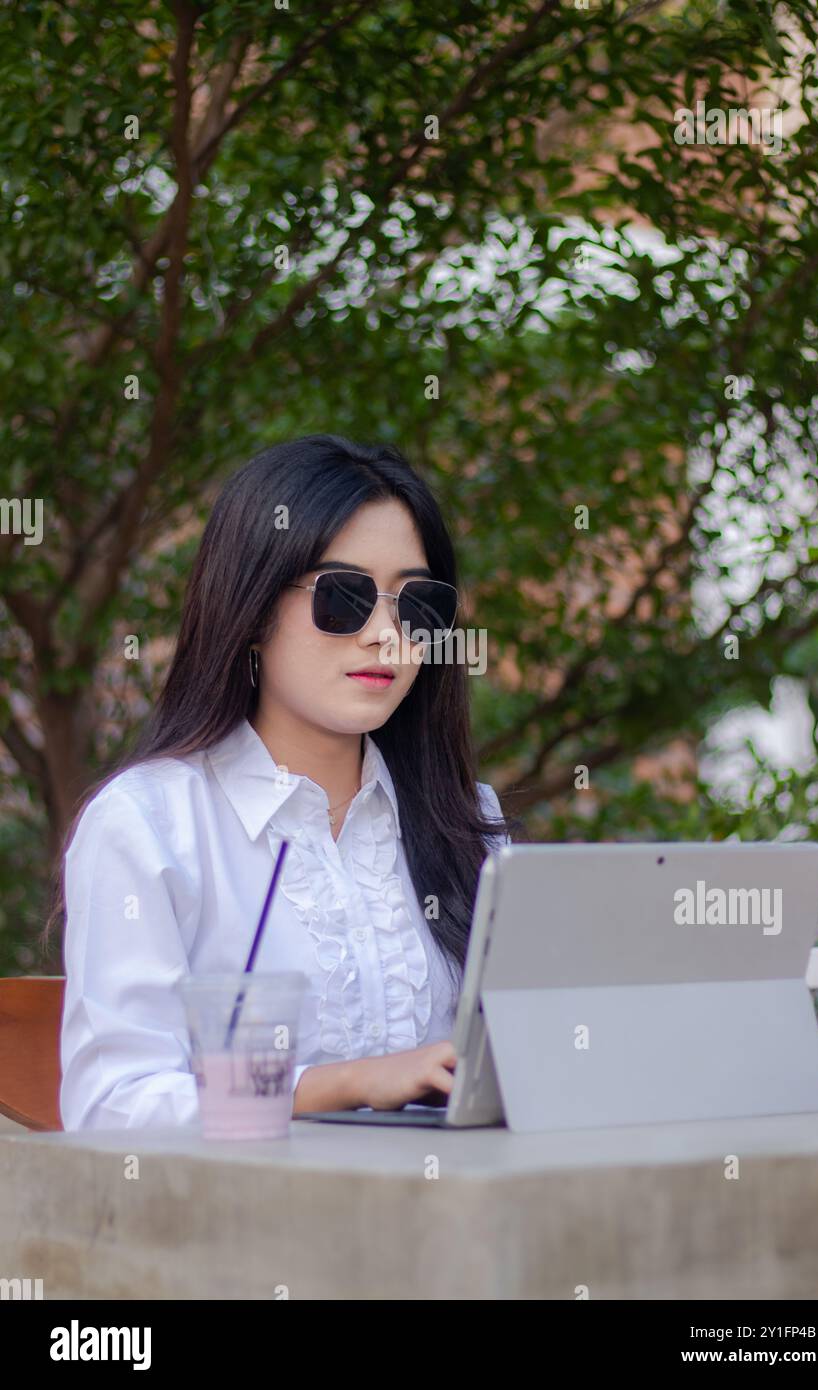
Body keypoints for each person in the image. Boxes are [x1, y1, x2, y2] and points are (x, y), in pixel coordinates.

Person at [54, 435, 512, 1130]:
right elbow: (113, 1103)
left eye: (416, 605)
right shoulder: (150, 826)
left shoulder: (470, 820)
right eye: (344, 597)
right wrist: (344, 1083)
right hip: (243, 1228)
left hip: (450, 1220)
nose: (387, 635)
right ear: (254, 611)